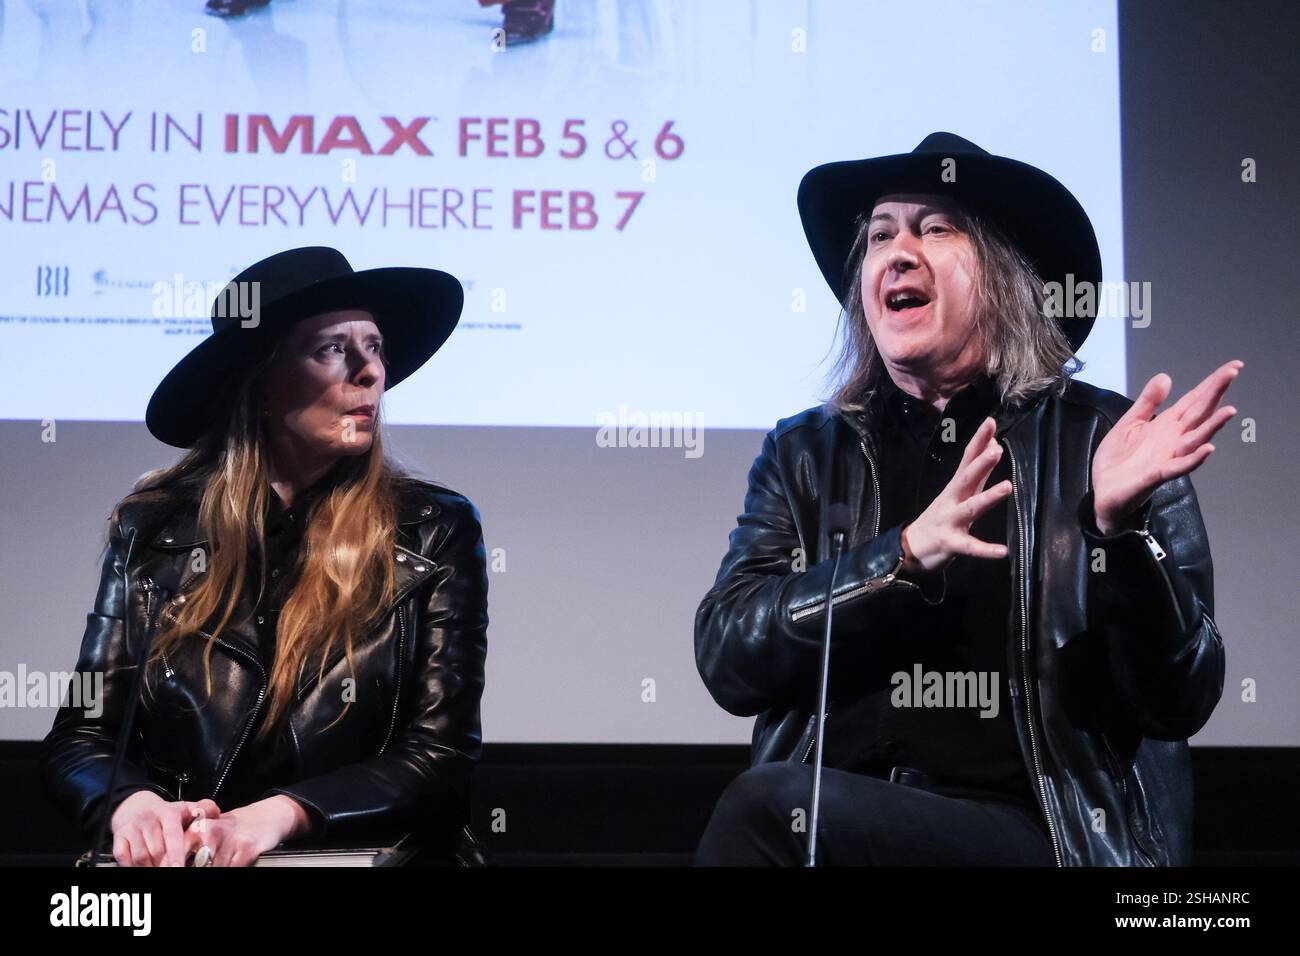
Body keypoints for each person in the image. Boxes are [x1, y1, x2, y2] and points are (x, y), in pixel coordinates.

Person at [693, 132, 1236, 866]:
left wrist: (1117, 534)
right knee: (774, 813)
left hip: (1036, 836)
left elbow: (1181, 697)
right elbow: (729, 652)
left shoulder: (1104, 441)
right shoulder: (807, 455)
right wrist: (901, 558)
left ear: (1006, 276)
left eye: (935, 228)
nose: (897, 251)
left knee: (767, 810)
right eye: (880, 235)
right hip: (839, 818)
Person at [41, 246, 489, 867]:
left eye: (375, 347)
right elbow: (82, 734)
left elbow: (439, 754)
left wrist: (273, 819)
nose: (370, 372)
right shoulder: (152, 530)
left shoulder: (432, 530)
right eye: (332, 349)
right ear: (260, 385)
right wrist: (129, 802)